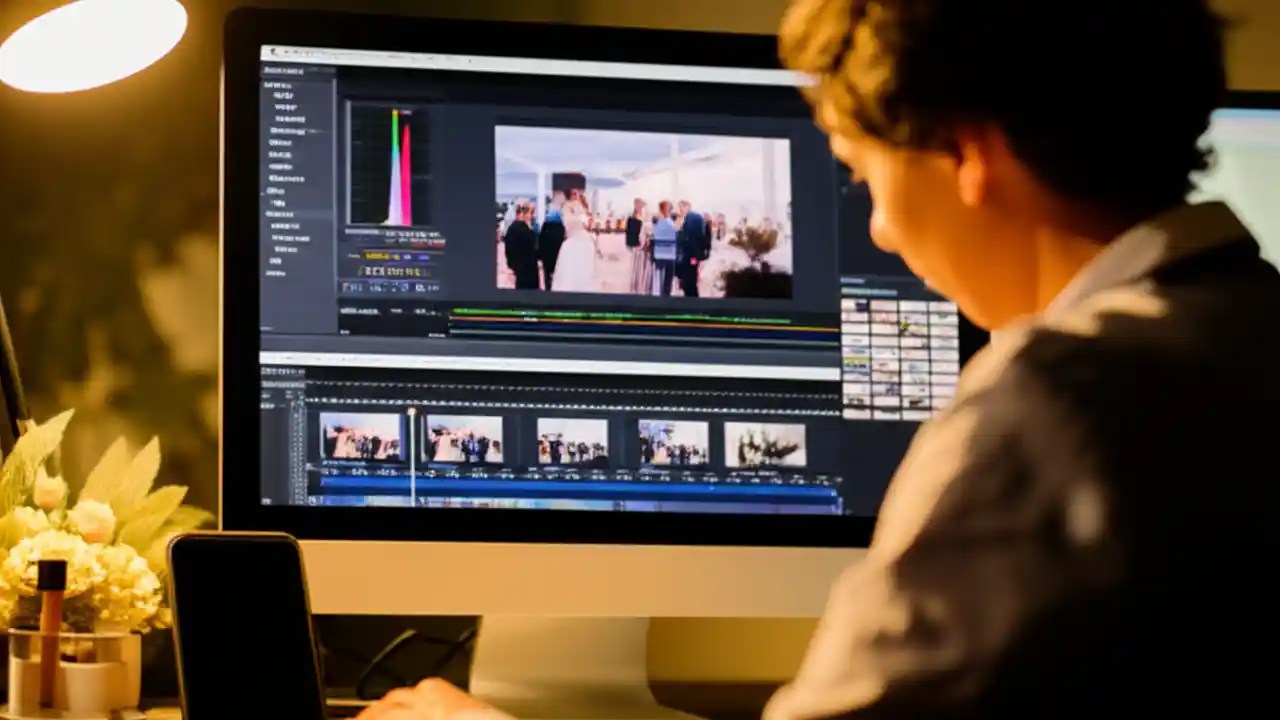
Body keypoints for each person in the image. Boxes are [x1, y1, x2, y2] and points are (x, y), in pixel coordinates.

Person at [359, 1, 1276, 718]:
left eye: (867, 174)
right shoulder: (1245, 335)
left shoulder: (1060, 398)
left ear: (966, 151)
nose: (876, 226)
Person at [549, 200, 599, 293]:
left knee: (583, 272)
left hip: (581, 241)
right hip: (575, 242)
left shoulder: (577, 209)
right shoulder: (567, 209)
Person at [500, 202, 540, 290]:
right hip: (527, 271)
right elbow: (534, 248)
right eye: (531, 213)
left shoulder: (512, 229)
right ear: (523, 213)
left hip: (519, 270)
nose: (532, 216)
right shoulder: (525, 230)